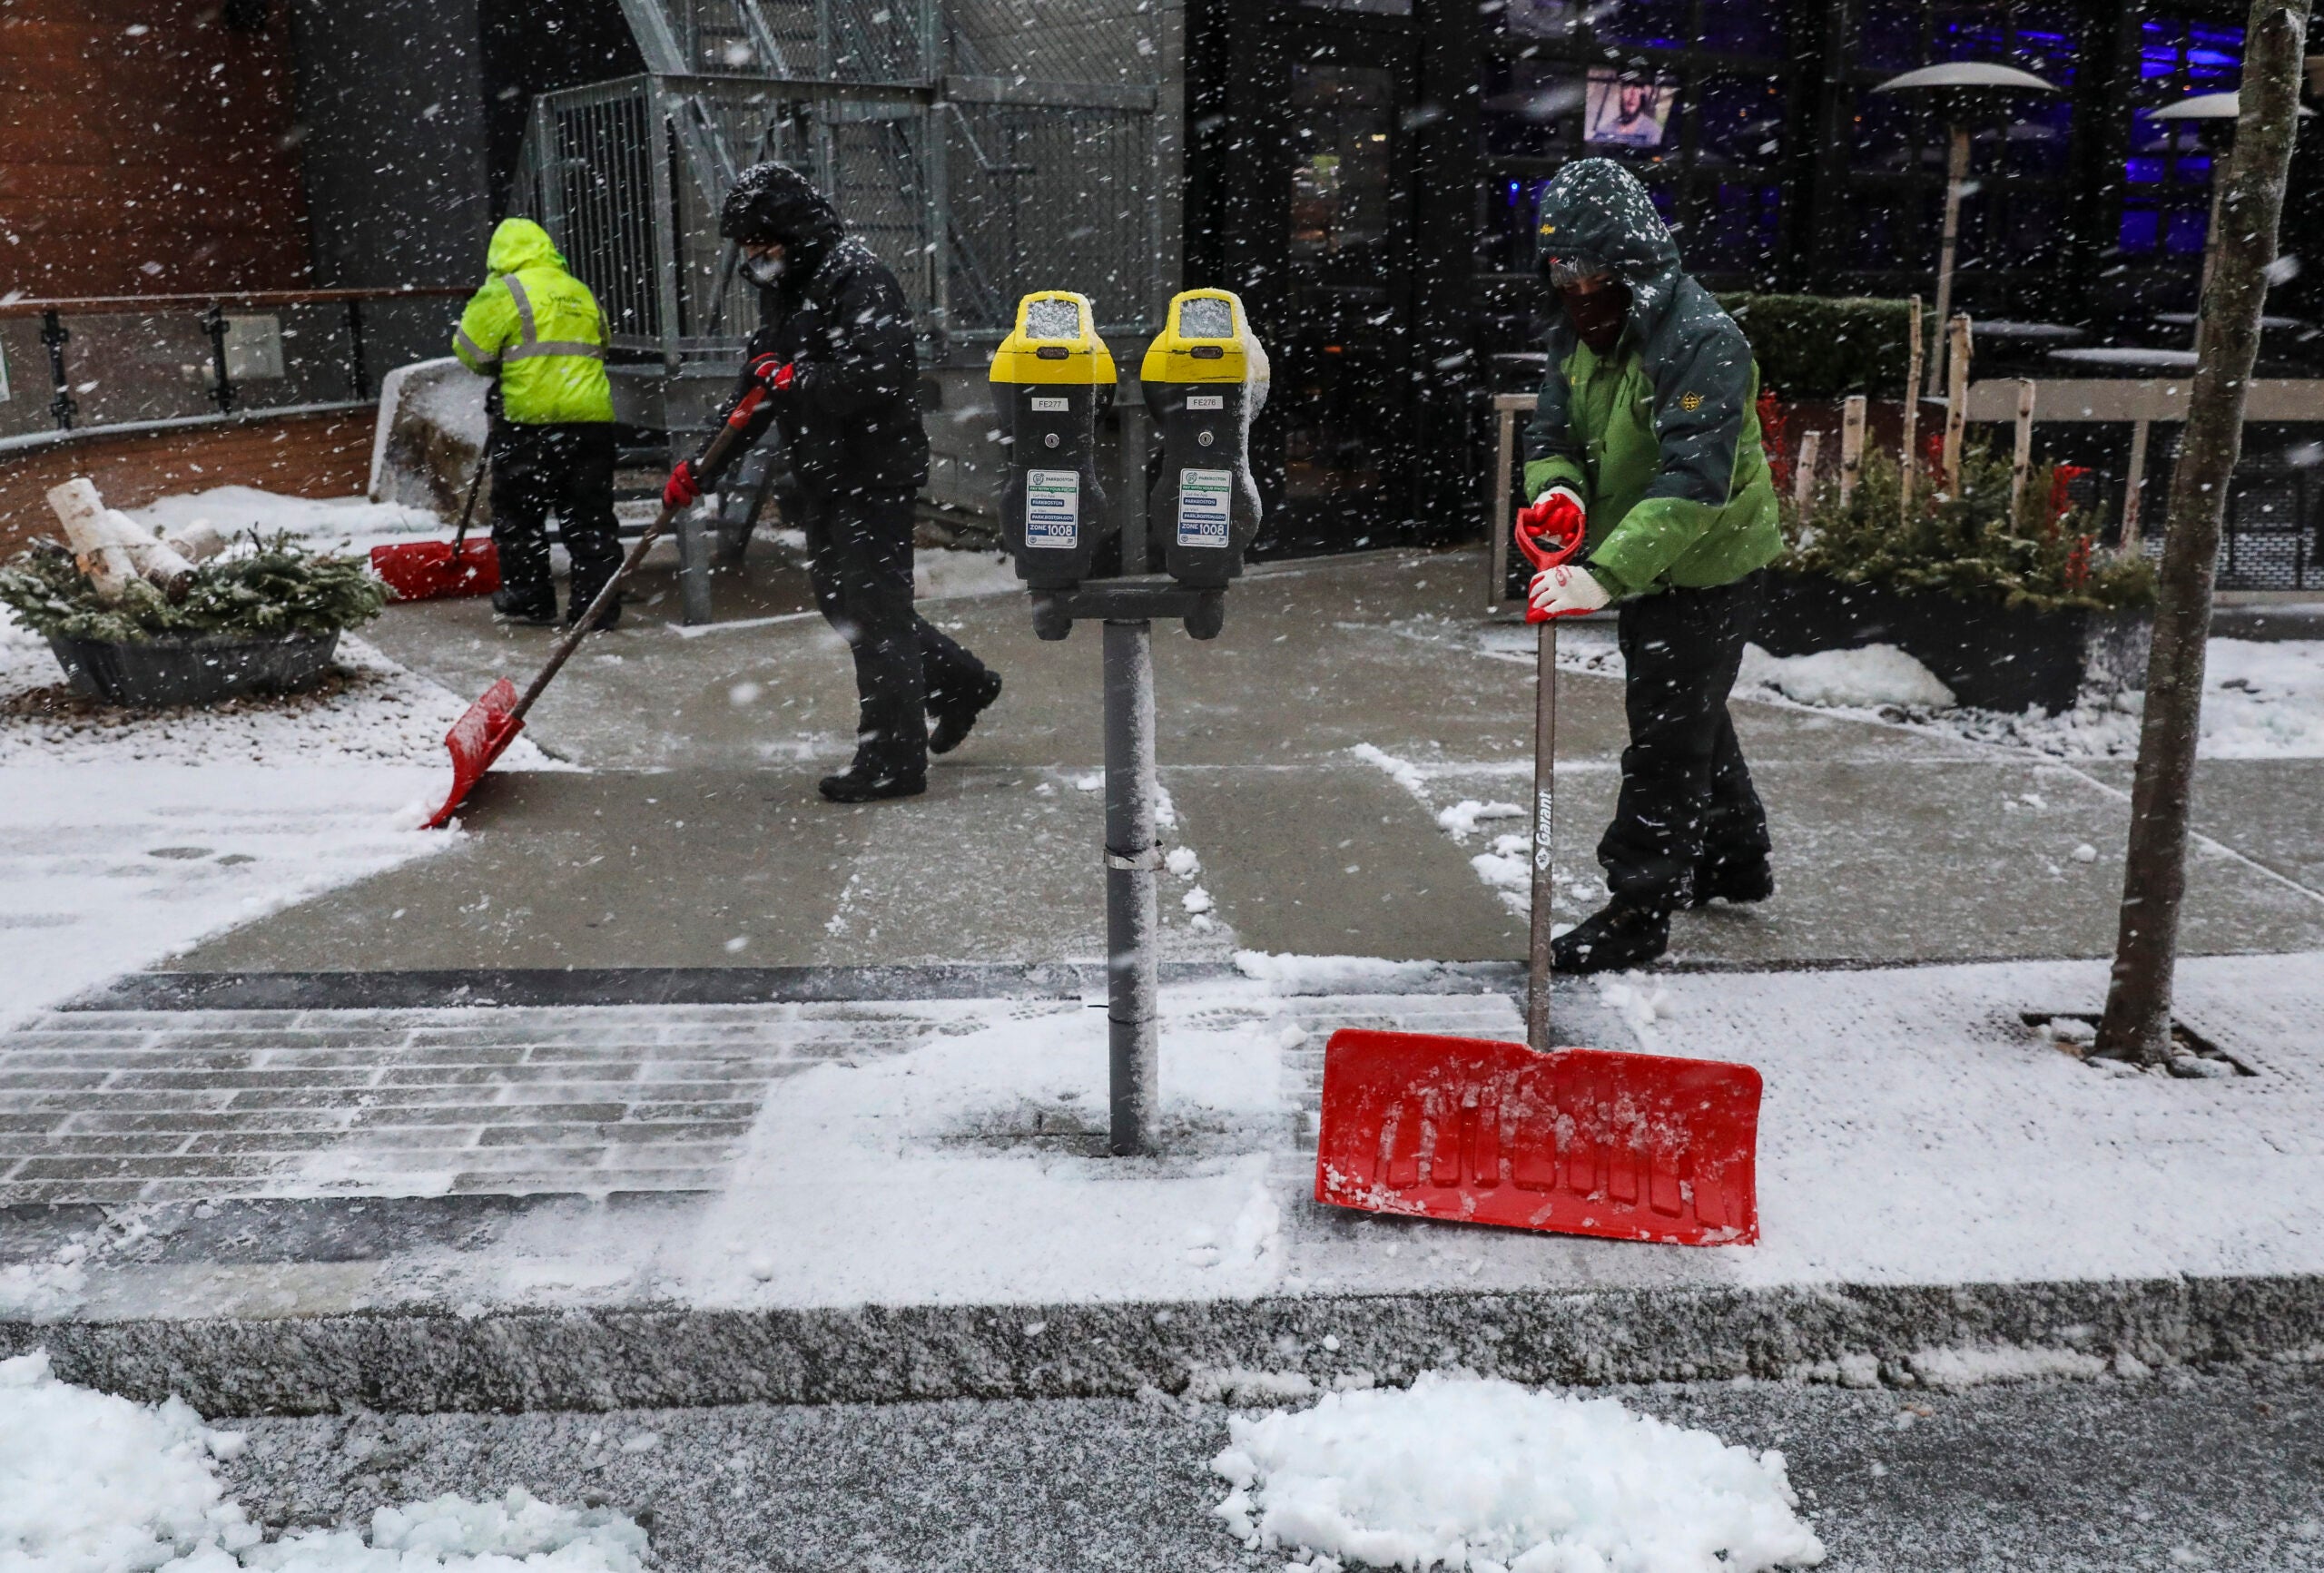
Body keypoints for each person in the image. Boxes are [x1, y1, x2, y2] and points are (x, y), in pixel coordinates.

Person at [663, 162, 1001, 804]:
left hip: (873, 471)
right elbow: (757, 385)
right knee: (849, 608)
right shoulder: (787, 286)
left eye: (762, 243)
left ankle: (892, 760)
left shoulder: (855, 276)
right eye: (747, 247)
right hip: (823, 473)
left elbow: (875, 375)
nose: (754, 257)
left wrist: (796, 378)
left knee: (873, 617)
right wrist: (701, 467)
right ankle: (961, 683)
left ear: (791, 231)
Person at [1519, 158, 1784, 973]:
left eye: (1594, 279)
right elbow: (1553, 437)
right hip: (1643, 556)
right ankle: (1735, 859)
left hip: (1708, 565)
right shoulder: (1576, 337)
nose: (1579, 296)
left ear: (1634, 269)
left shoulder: (1701, 340)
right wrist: (1558, 496)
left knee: (1666, 739)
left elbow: (1692, 482)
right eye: (1564, 279)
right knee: (1691, 706)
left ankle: (1639, 908)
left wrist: (1602, 573)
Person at [452, 217, 624, 629]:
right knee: (591, 518)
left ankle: (530, 599)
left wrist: (506, 362)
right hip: (591, 423)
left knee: (520, 517)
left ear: (500, 256)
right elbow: (604, 342)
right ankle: (596, 608)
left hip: (530, 423)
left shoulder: (504, 291)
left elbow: (470, 351)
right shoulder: (578, 290)